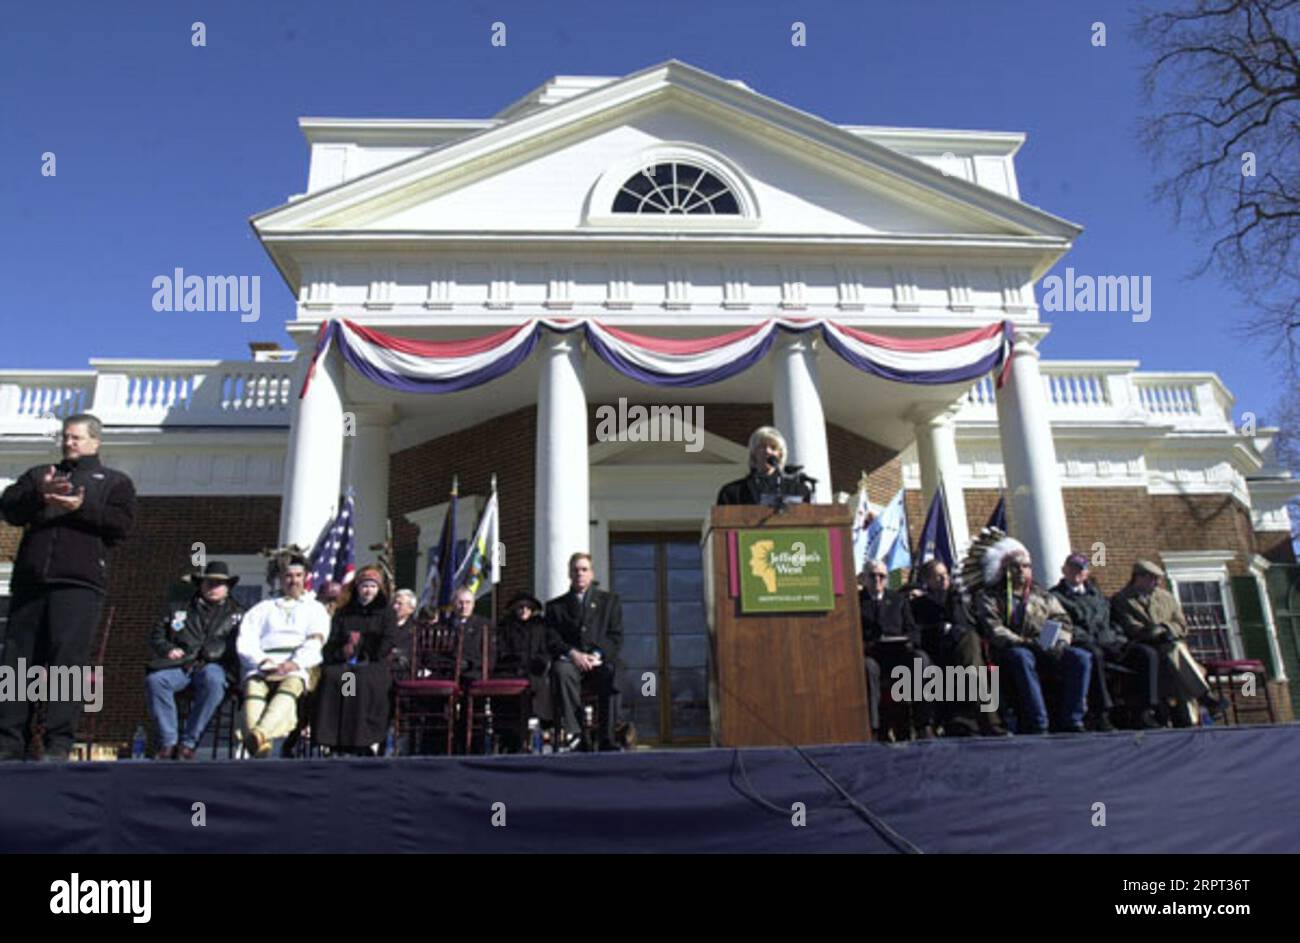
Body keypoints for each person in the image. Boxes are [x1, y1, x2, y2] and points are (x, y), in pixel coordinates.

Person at [0, 414, 137, 761]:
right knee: (17, 664)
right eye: (65, 437)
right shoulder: (40, 474)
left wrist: (81, 507)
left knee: (67, 664)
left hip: (78, 584)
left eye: (76, 437)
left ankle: (58, 743)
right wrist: (39, 495)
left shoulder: (113, 482)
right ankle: (9, 742)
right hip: (31, 583)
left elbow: (120, 526)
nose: (69, 443)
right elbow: (10, 508)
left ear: (95, 441)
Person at [974, 539, 1092, 734]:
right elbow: (994, 628)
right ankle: (1039, 721)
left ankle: (1073, 718)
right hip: (1014, 649)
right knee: (1022, 657)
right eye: (1016, 566)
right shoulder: (991, 597)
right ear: (1005, 570)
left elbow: (1062, 619)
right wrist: (1025, 642)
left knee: (1081, 657)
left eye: (1026, 566)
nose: (1021, 570)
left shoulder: (1042, 595)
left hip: (1046, 645)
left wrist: (1059, 641)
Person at [144, 561, 245, 759]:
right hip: (181, 666)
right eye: (209, 583)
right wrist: (168, 649)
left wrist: (221, 650)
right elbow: (157, 636)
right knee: (156, 680)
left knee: (213, 679)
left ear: (227, 588)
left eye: (219, 583)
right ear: (201, 584)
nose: (213, 587)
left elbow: (244, 645)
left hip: (215, 666)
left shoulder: (238, 614)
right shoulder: (178, 609)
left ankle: (189, 743)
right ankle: (168, 742)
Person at [1049, 553, 1161, 730]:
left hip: (1111, 641)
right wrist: (1088, 639)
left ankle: (1144, 711)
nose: (1077, 572)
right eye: (1073, 568)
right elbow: (1065, 625)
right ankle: (1101, 713)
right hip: (1086, 643)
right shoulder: (1055, 597)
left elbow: (1113, 621)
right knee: (1095, 655)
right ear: (1064, 570)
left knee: (1146, 653)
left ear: (1087, 573)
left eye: (1082, 569)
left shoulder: (1097, 596)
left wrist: (1119, 638)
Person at [236, 553, 330, 758]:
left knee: (291, 685)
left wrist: (294, 663)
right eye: (289, 576)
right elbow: (246, 640)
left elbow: (315, 642)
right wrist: (261, 661)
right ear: (280, 577)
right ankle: (260, 744)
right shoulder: (262, 608)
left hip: (296, 666)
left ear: (305, 577)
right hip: (263, 663)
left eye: (298, 575)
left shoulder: (315, 609)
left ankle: (260, 734)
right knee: (253, 687)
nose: (293, 580)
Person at [1110, 560, 1216, 727]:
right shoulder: (1122, 599)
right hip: (1146, 646)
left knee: (1174, 653)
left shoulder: (1166, 597)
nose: (1157, 582)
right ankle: (1203, 697)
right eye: (1153, 578)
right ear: (1139, 577)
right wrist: (1153, 632)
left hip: (1171, 644)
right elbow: (1130, 626)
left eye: (1158, 578)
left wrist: (1165, 628)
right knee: (1175, 656)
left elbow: (1181, 625)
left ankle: (1189, 719)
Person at [908, 559, 1004, 736]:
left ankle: (984, 720)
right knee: (970, 662)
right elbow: (917, 633)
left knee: (970, 644)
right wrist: (941, 629)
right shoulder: (919, 605)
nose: (944, 579)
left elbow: (973, 624)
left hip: (965, 649)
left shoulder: (961, 599)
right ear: (928, 580)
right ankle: (986, 721)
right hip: (937, 653)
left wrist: (956, 630)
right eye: (938, 576)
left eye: (946, 574)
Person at [314, 565, 401, 756]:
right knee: (335, 676)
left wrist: (362, 643)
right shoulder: (345, 612)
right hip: (347, 664)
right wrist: (343, 651)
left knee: (359, 680)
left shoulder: (386, 613)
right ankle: (338, 738)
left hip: (374, 663)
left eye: (372, 586)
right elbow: (332, 641)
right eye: (364, 586)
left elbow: (387, 641)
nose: (368, 590)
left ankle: (362, 739)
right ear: (357, 588)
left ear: (378, 589)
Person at [545, 553, 624, 751]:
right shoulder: (555, 607)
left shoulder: (610, 601)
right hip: (571, 661)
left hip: (598, 662)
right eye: (575, 570)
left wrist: (597, 654)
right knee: (560, 671)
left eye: (584, 569)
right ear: (569, 574)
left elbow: (615, 636)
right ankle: (577, 735)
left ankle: (607, 737)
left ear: (591, 573)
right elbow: (552, 639)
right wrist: (573, 654)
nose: (580, 573)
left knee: (613, 672)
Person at [859, 561, 933, 739]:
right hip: (874, 655)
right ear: (864, 578)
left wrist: (909, 641)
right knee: (869, 668)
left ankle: (923, 723)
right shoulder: (857, 602)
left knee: (920, 659)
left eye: (882, 576)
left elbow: (913, 630)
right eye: (872, 576)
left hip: (899, 652)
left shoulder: (898, 600)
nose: (877, 579)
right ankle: (875, 729)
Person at [716, 426, 814, 505]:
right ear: (753, 453)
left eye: (773, 447)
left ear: (780, 455)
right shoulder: (732, 492)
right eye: (762, 447)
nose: (767, 451)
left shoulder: (798, 490)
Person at [497, 590, 553, 726]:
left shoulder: (540, 626)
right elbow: (501, 650)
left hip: (535, 670)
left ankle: (543, 725)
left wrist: (540, 662)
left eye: (528, 607)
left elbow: (545, 649)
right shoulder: (505, 626)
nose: (524, 610)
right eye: (520, 607)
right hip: (511, 669)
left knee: (543, 686)